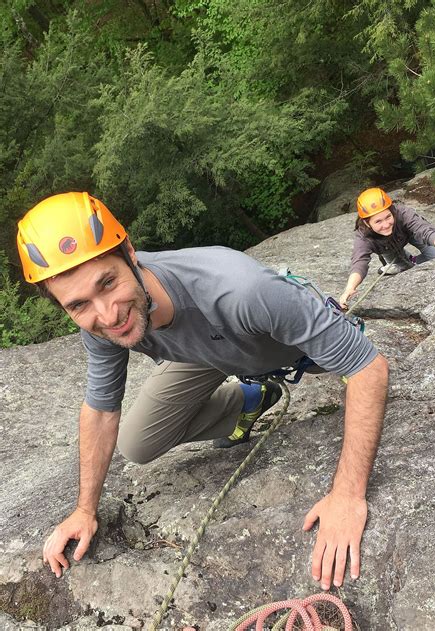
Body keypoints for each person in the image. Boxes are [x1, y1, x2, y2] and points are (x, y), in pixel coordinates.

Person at [17, 192, 389, 592]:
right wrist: (84, 509)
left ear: (129, 251)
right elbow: (102, 409)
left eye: (108, 282)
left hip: (270, 341)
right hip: (207, 352)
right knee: (137, 444)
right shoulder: (102, 321)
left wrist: (348, 495)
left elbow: (368, 366)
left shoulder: (239, 291)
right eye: (78, 304)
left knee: (342, 366)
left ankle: (257, 378)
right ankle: (251, 399)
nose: (107, 314)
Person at [339, 187, 435, 309]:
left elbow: (424, 231)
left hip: (412, 235)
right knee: (405, 268)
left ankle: (413, 260)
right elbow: (359, 261)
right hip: (386, 249)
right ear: (367, 223)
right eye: (378, 221)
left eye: (388, 217)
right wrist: (350, 288)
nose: (385, 224)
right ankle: (403, 262)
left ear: (392, 211)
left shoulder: (402, 213)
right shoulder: (364, 236)